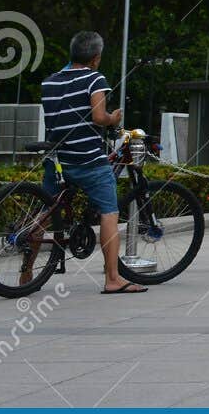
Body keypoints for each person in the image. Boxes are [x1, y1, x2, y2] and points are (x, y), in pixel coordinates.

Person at [38, 31, 146, 294]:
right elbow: (98, 116)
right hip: (87, 160)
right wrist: (113, 118)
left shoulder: (49, 82)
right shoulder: (94, 78)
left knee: (43, 214)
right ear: (96, 58)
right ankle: (112, 279)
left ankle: (27, 273)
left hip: (57, 160)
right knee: (109, 212)